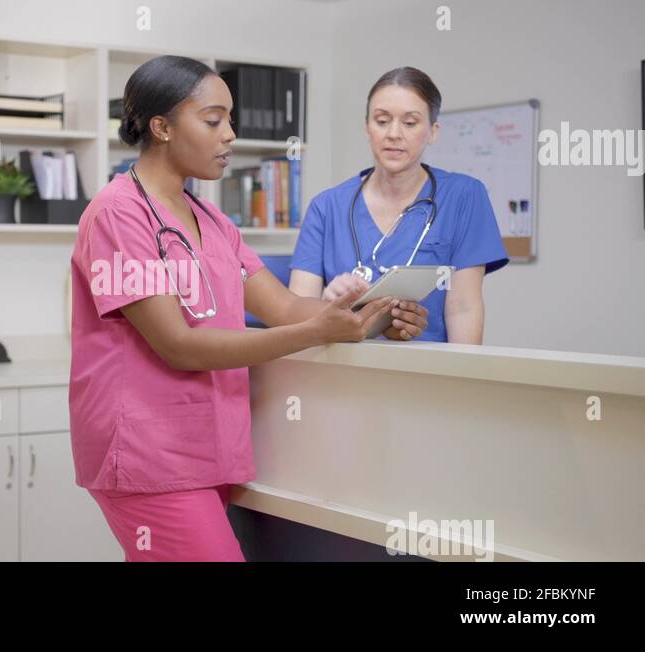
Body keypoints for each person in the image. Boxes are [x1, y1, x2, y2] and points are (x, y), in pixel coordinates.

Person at [67, 56, 429, 561]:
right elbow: (178, 345)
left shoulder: (212, 221)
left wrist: (373, 314)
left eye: (230, 120)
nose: (230, 135)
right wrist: (316, 330)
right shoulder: (117, 214)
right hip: (148, 453)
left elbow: (282, 307)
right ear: (162, 126)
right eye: (214, 120)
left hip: (207, 451)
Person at [289, 67, 509, 343]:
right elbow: (294, 313)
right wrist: (325, 303)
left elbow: (464, 309)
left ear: (433, 131)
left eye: (410, 122)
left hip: (428, 374)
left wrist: (462, 382)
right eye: (382, 121)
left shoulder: (464, 196)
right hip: (343, 371)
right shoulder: (326, 207)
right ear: (367, 128)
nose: (394, 134)